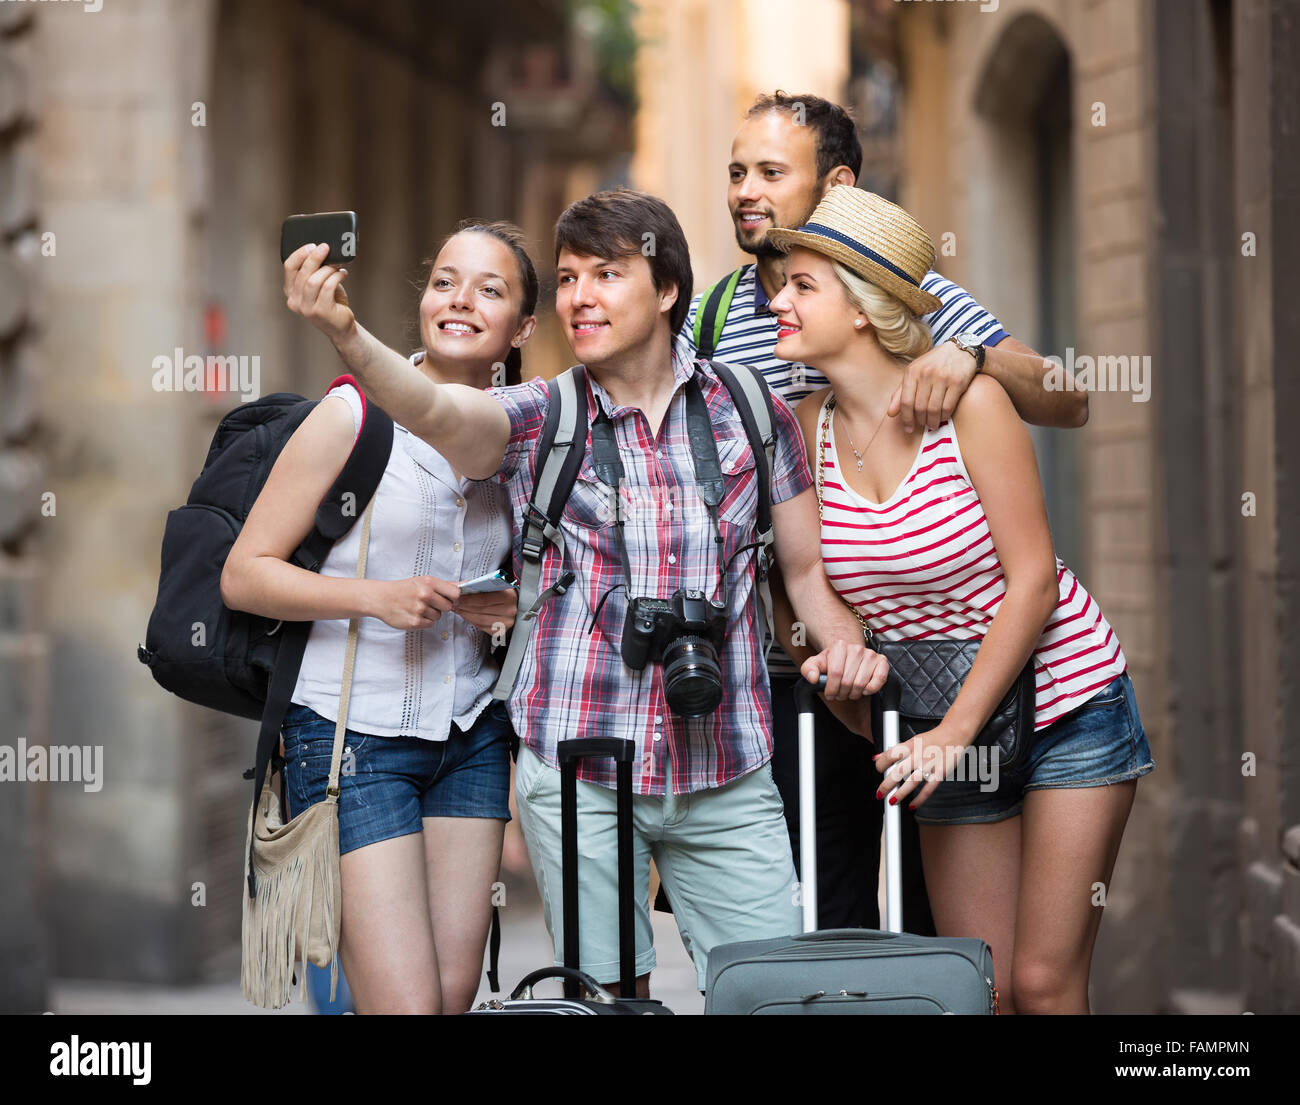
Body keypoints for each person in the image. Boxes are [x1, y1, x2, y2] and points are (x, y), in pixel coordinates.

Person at [280, 186, 888, 997]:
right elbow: (432, 408)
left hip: (729, 766)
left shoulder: (753, 409)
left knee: (775, 994)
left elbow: (805, 574)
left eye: (606, 274)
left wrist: (844, 649)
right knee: (607, 1003)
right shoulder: (541, 415)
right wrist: (344, 332)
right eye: (567, 278)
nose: (580, 297)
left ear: (666, 288)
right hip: (579, 767)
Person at [681, 91, 1088, 933]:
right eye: (735, 172)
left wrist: (970, 356)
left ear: (836, 184)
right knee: (820, 927)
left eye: (769, 172)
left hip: (924, 676)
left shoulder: (909, 290)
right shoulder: (711, 318)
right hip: (796, 678)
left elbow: (1068, 399)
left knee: (930, 927)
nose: (744, 191)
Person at [768, 184, 1154, 1013]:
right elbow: (800, 595)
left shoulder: (969, 405)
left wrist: (955, 732)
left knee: (1047, 985)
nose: (777, 299)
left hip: (1064, 705)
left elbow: (1036, 580)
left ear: (866, 309)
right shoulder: (802, 428)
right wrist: (836, 665)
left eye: (803, 285)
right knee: (988, 988)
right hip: (939, 723)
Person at [222, 220, 537, 1014]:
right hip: (353, 736)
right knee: (405, 1004)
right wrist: (376, 597)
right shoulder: (352, 418)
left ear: (523, 329)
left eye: (489, 290)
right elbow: (244, 576)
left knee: (452, 994)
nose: (459, 300)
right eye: (443, 281)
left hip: (468, 734)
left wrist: (504, 610)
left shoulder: (520, 438)